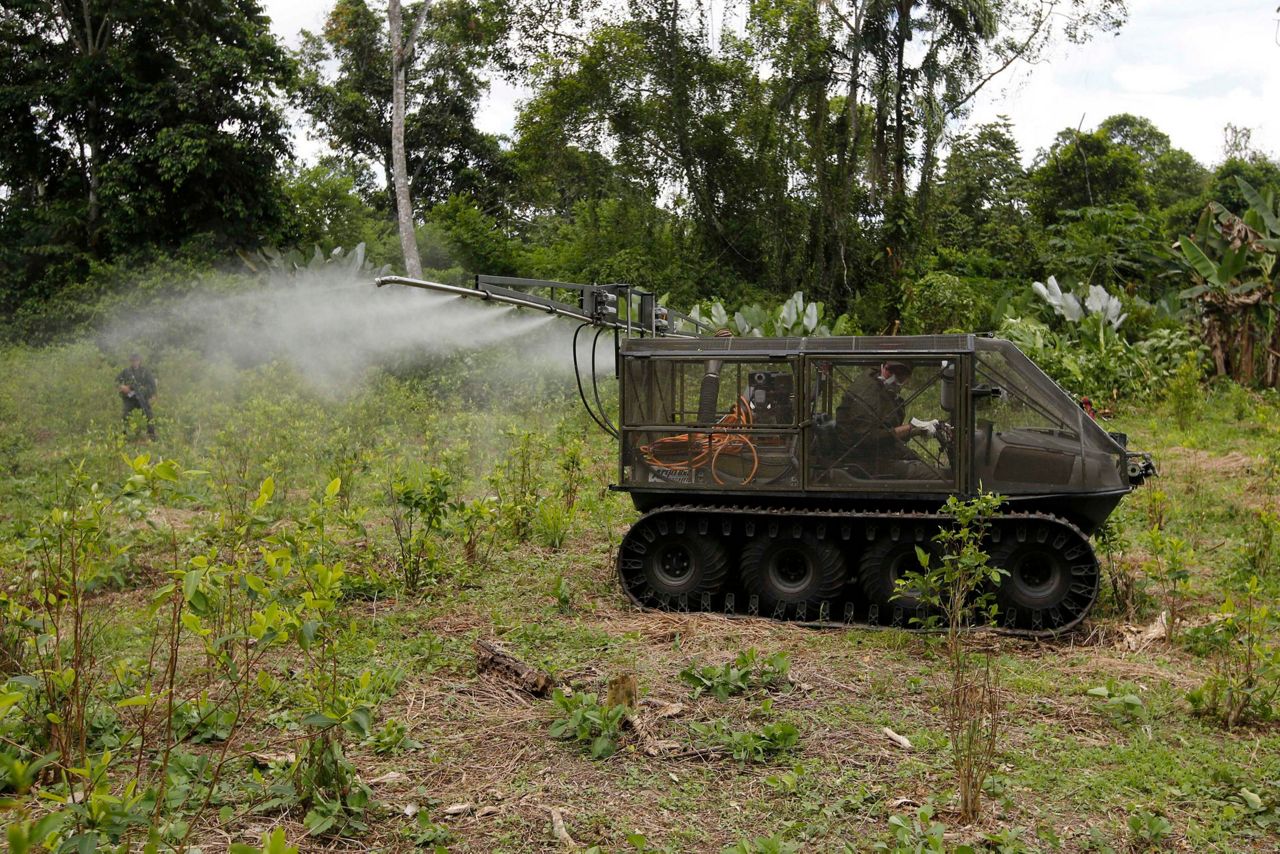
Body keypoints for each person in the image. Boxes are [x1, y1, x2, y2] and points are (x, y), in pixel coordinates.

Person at [835, 361, 942, 479]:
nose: (893, 378)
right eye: (890, 371)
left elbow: (886, 433)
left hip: (878, 456)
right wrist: (910, 427)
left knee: (925, 465)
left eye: (900, 374)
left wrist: (917, 431)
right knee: (938, 476)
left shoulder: (882, 388)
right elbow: (867, 438)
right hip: (862, 462)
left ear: (908, 377)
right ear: (883, 367)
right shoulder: (868, 392)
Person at [117, 353, 157, 439]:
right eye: (133, 361)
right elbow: (117, 381)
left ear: (139, 361)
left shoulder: (145, 372)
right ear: (130, 361)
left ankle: (151, 434)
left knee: (148, 414)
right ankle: (123, 434)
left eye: (136, 360)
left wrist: (153, 395)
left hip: (142, 397)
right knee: (125, 415)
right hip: (130, 398)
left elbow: (152, 385)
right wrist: (123, 387)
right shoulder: (126, 371)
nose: (135, 362)